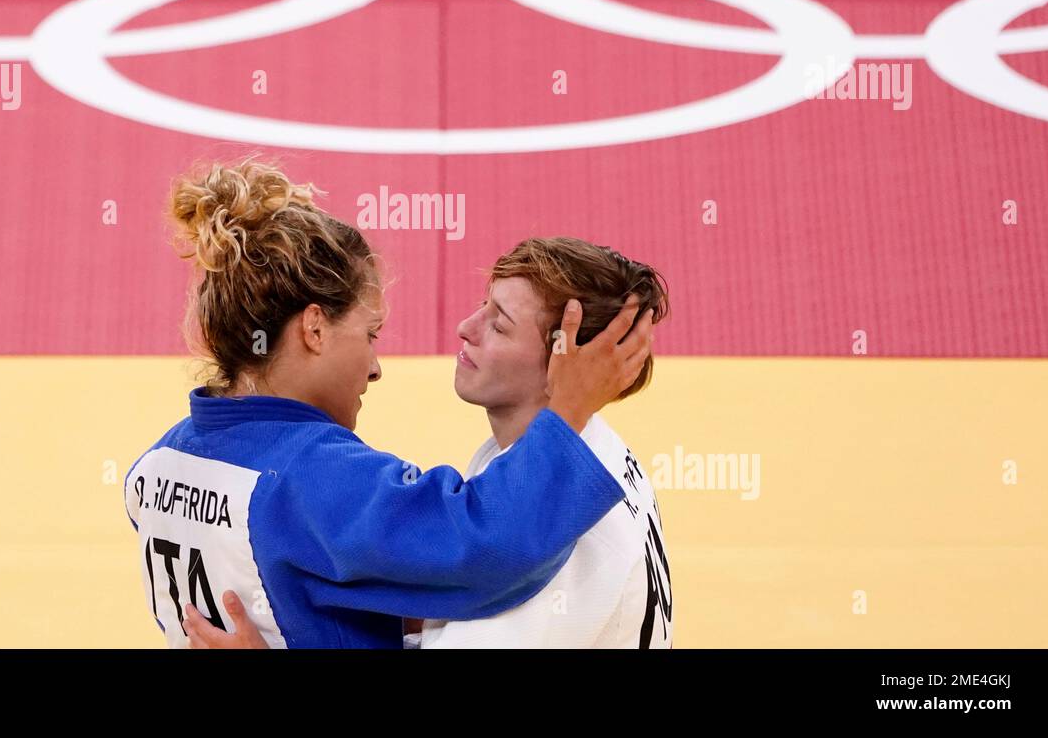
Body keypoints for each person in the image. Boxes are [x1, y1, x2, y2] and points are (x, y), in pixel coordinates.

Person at [125, 159, 654, 648]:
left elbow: (307, 575)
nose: (375, 367)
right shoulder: (315, 479)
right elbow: (481, 543)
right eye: (371, 334)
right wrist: (568, 411)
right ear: (314, 329)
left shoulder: (156, 466)